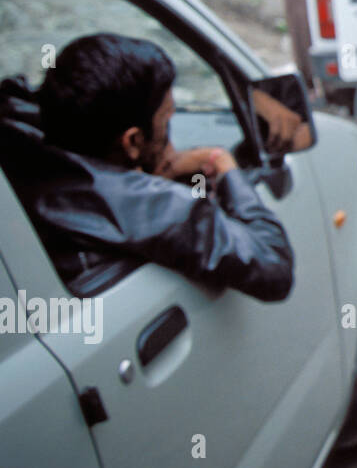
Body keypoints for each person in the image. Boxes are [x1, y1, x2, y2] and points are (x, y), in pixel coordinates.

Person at [0, 33, 294, 302]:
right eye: (166, 121)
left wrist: (137, 167)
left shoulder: (19, 140)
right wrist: (224, 163)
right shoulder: (150, 205)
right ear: (132, 141)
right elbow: (273, 268)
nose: (171, 136)